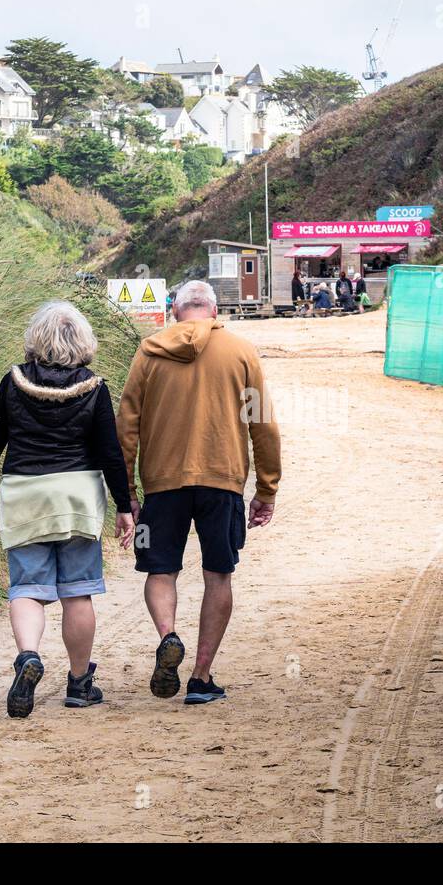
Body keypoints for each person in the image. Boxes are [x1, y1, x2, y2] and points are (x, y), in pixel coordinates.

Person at [0, 301, 135, 718]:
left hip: (25, 494)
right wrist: (125, 507)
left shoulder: (11, 382)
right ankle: (79, 685)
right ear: (83, 341)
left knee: (26, 589)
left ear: (36, 339)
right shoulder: (95, 387)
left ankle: (29, 657)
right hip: (77, 498)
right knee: (78, 591)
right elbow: (111, 453)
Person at [118, 281, 281, 705]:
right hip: (221, 481)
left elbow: (127, 424)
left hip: (162, 483)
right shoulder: (241, 351)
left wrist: (127, 491)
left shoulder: (149, 351)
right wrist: (267, 487)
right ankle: (201, 676)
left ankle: (168, 636)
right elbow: (262, 422)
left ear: (175, 311)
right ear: (213, 310)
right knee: (218, 574)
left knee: (161, 569)